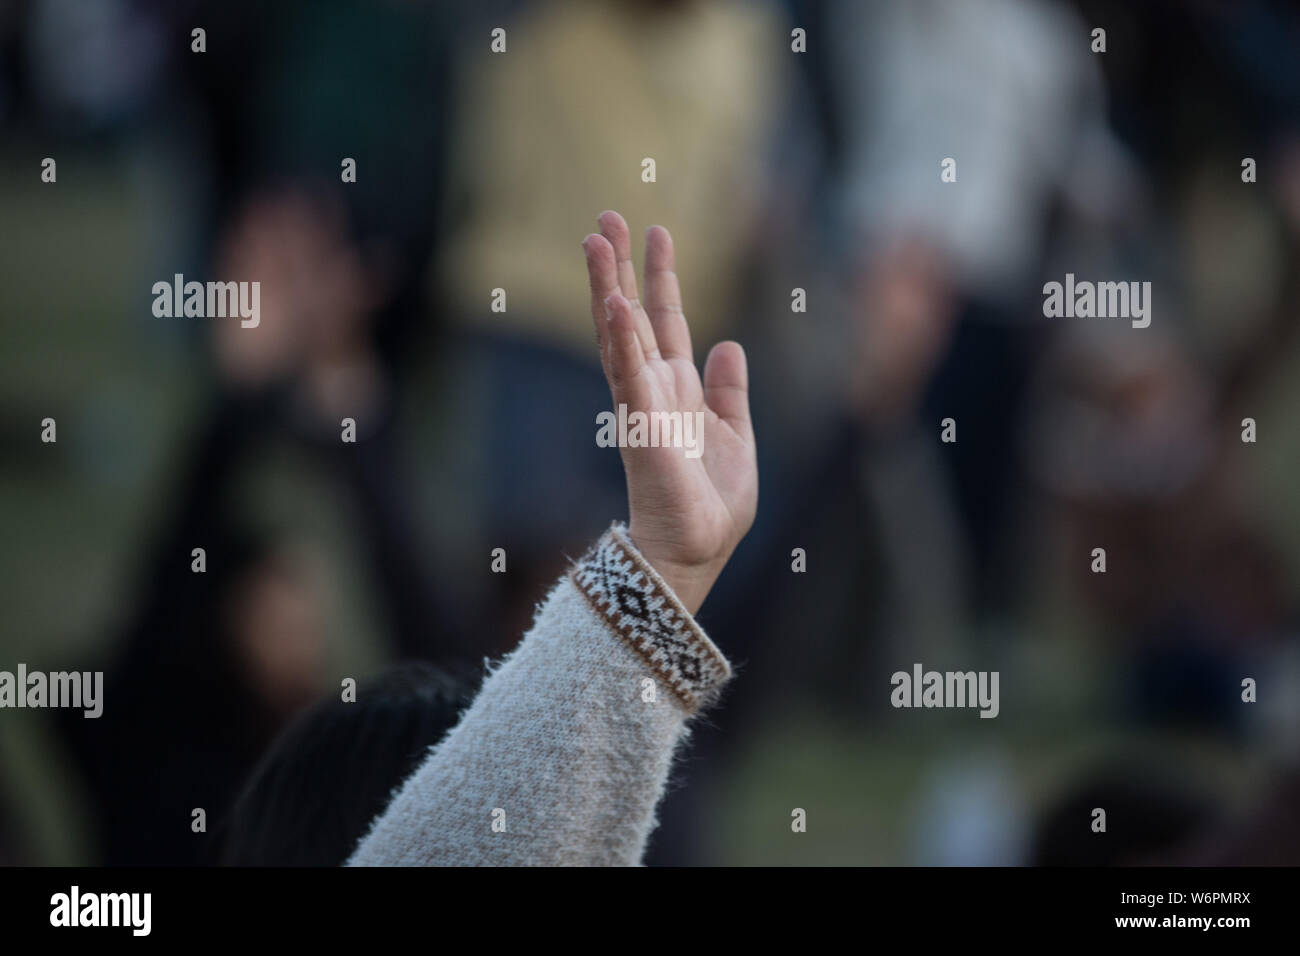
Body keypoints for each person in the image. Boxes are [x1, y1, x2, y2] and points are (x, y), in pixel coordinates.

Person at [225, 211, 758, 865]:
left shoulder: (692, 731)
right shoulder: (450, 694)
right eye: (563, 601)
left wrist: (671, 566)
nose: (578, 594)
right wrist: (660, 574)